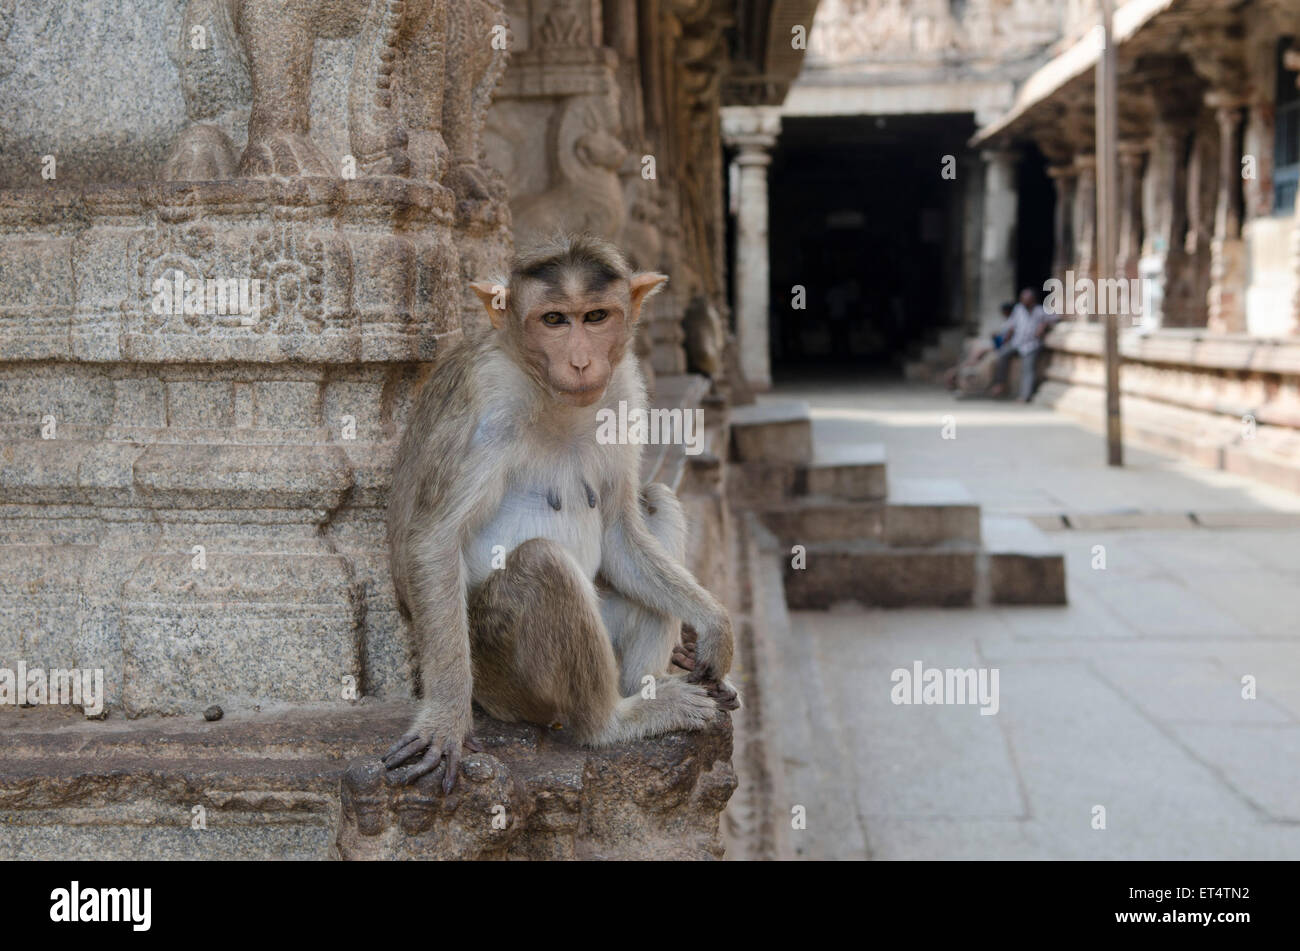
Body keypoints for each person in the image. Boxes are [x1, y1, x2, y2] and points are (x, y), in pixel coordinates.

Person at [990, 288, 1056, 402]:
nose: (1025, 301)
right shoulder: (1018, 309)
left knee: (1028, 368)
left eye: (1027, 299)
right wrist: (1006, 338)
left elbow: (1057, 317)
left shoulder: (1040, 311)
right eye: (1023, 299)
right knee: (1002, 354)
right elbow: (1012, 325)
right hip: (1017, 342)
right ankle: (1000, 384)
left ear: (1033, 300)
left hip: (1032, 345)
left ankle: (1025, 396)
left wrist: (1044, 325)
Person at [945, 302, 1013, 394]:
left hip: (1004, 346)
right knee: (974, 344)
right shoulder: (1007, 321)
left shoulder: (1013, 321)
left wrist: (997, 338)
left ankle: (967, 363)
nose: (1002, 313)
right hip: (999, 344)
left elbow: (1005, 340)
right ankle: (964, 365)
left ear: (1007, 311)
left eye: (1004, 311)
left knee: (980, 348)